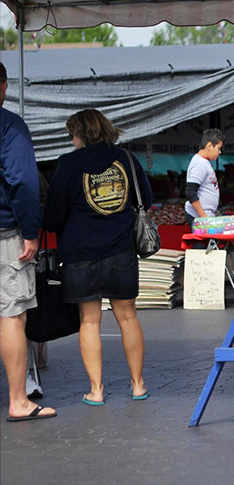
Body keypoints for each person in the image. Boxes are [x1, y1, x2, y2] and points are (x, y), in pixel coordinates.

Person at [44, 109, 152, 406]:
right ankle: (138, 385)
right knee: (128, 316)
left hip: (80, 255)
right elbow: (147, 199)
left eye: (72, 135)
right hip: (121, 250)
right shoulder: (126, 160)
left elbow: (52, 217)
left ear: (79, 134)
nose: (72, 140)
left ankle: (97, 390)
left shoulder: (67, 166)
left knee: (89, 322)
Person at [0, 61, 57, 422]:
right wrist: (30, 231)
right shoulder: (9, 126)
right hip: (5, 234)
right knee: (12, 315)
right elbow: (22, 182)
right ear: (3, 86)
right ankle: (19, 400)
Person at [184, 129, 224, 227]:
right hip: (199, 216)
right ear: (209, 146)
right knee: (203, 243)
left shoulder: (204, 162)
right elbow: (190, 192)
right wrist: (203, 216)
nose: (220, 152)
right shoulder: (199, 164)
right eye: (218, 148)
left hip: (205, 215)